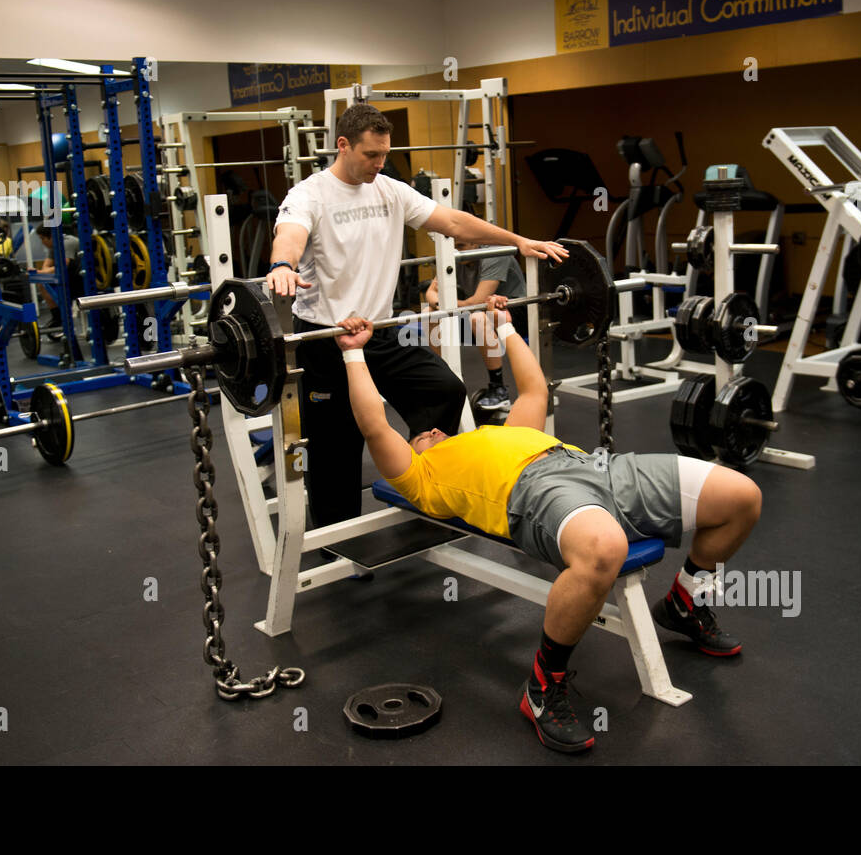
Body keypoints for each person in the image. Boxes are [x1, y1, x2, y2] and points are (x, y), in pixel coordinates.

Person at [333, 296, 763, 753]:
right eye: (419, 434)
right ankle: (543, 686)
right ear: (411, 453)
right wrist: (354, 352)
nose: (431, 431)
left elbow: (535, 391)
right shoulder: (423, 477)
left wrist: (505, 328)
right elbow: (375, 425)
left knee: (742, 496)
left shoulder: (496, 432)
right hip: (534, 493)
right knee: (604, 549)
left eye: (436, 428)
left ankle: (684, 603)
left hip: (598, 468)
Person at [267, 102, 568, 528]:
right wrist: (283, 265)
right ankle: (338, 539)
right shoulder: (309, 194)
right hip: (324, 338)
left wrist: (517, 240)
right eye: (371, 155)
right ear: (343, 145)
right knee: (337, 443)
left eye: (385, 154)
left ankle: (427, 484)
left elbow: (455, 223)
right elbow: (290, 236)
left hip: (382, 331)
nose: (379, 163)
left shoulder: (390, 189)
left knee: (443, 390)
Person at [424, 245, 527, 411]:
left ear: (475, 241)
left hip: (515, 310)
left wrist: (445, 303)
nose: (457, 250)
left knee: (477, 317)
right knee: (429, 313)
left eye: (461, 246)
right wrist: (440, 304)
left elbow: (477, 302)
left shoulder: (494, 254)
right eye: (454, 246)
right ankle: (446, 381)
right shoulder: (453, 255)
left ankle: (498, 389)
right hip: (481, 310)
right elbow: (430, 293)